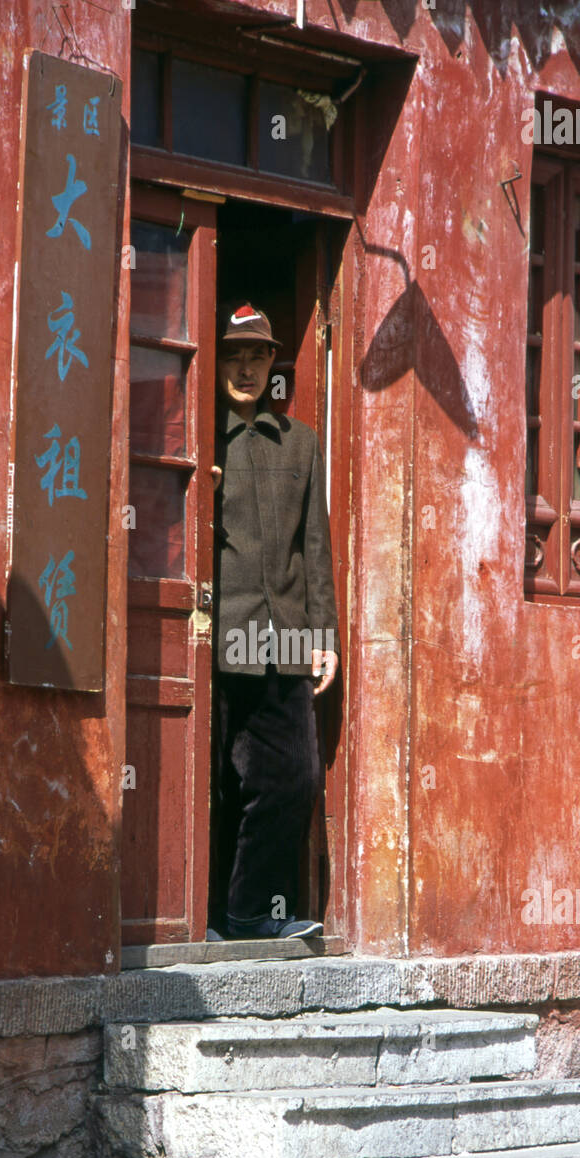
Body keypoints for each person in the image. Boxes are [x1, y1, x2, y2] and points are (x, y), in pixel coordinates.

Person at [208, 302, 339, 941]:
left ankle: (248, 913)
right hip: (217, 635)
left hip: (285, 637)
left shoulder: (303, 443)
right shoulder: (199, 444)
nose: (245, 367)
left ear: (272, 364)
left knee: (295, 778)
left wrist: (326, 639)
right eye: (234, 354)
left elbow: (315, 547)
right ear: (217, 361)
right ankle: (213, 919)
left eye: (257, 356)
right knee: (217, 783)